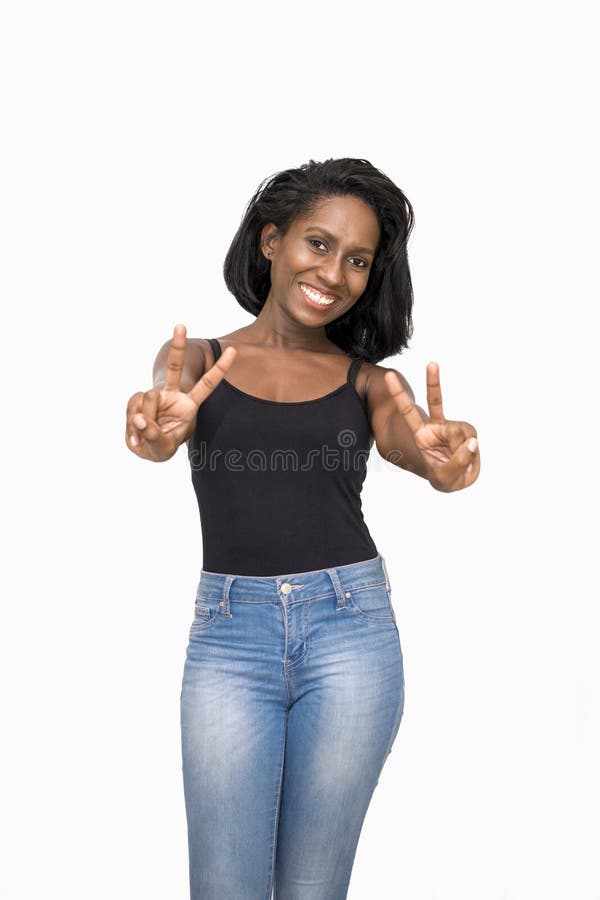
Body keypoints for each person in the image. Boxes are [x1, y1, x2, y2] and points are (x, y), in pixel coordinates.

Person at [125, 157, 480, 900]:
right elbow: (163, 410)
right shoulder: (199, 360)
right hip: (231, 639)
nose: (334, 272)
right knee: (224, 886)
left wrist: (437, 460)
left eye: (358, 260)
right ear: (271, 241)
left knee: (313, 889)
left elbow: (410, 441)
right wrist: (158, 427)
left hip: (351, 633)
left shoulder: (372, 382)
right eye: (318, 243)